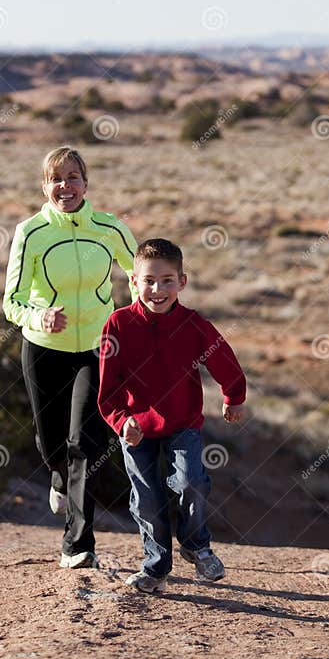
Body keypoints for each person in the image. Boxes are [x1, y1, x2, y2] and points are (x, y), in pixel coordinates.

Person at [3, 146, 137, 569]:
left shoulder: (109, 228)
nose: (66, 186)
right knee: (51, 441)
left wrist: (134, 324)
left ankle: (77, 545)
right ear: (45, 186)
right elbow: (12, 301)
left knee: (85, 442)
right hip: (43, 348)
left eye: (73, 177)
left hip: (98, 348)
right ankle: (57, 474)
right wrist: (39, 316)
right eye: (57, 179)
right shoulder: (31, 232)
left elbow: (139, 275)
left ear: (86, 182)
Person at [98, 238, 246, 594]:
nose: (157, 289)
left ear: (182, 282)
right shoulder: (117, 325)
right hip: (136, 429)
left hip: (182, 422)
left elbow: (223, 359)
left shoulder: (193, 325)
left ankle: (196, 546)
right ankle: (156, 565)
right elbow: (107, 390)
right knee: (147, 498)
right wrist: (122, 421)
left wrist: (234, 396)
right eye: (148, 280)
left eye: (167, 280)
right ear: (133, 283)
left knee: (190, 482)